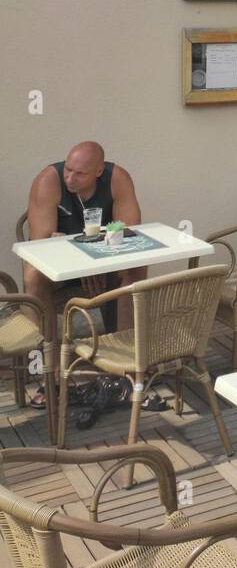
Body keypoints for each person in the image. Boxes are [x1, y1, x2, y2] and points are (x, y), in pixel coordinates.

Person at [24, 142, 146, 407]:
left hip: (106, 263)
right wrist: (80, 257)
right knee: (32, 277)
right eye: (68, 170)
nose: (70, 178)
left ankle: (123, 367)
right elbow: (41, 243)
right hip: (61, 267)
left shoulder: (117, 179)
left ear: (99, 171)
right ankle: (51, 373)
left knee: (136, 270)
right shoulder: (48, 181)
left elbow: (128, 231)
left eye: (79, 174)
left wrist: (95, 262)